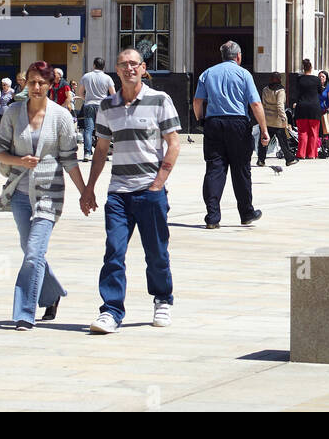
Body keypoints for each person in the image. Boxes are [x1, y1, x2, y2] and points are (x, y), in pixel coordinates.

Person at [82, 47, 181, 333]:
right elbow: (100, 150)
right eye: (123, 64)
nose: (128, 69)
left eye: (133, 64)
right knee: (113, 251)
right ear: (116, 68)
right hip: (118, 193)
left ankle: (162, 298)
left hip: (149, 191)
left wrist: (157, 184)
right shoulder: (107, 106)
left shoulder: (159, 100)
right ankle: (111, 311)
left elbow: (173, 143)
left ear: (143, 68)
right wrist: (89, 189)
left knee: (157, 253)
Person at [0, 61, 91, 329]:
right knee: (29, 250)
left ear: (50, 85)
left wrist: (85, 193)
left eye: (42, 83)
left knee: (34, 252)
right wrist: (19, 160)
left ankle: (24, 312)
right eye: (32, 81)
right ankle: (52, 293)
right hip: (20, 194)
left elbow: (70, 160)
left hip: (50, 193)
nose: (36, 87)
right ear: (25, 82)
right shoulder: (13, 112)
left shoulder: (60, 116)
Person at [194, 41, 268, 229]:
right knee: (241, 169)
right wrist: (264, 129)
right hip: (238, 124)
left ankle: (212, 217)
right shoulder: (244, 74)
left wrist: (201, 120)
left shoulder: (207, 73)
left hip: (214, 123)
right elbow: (256, 104)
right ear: (238, 57)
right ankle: (246, 213)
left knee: (214, 169)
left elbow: (197, 101)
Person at [75, 58, 118, 163]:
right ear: (104, 67)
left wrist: (86, 99)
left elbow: (80, 92)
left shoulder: (86, 76)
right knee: (102, 131)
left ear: (94, 65)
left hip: (89, 104)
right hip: (102, 106)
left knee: (88, 129)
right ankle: (102, 154)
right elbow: (113, 94)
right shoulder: (107, 78)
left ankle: (87, 153)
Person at [258, 73, 297, 166]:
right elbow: (280, 106)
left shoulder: (265, 89)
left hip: (267, 119)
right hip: (278, 120)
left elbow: (263, 104)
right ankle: (289, 159)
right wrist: (284, 118)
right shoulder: (280, 91)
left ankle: (261, 160)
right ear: (279, 79)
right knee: (283, 141)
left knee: (264, 140)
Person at [291, 59, 323, 161]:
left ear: (303, 68)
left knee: (302, 132)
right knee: (313, 132)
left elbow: (296, 92)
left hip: (302, 107)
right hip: (314, 107)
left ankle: (301, 153)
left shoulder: (299, 79)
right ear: (311, 68)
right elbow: (320, 92)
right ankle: (312, 154)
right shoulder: (316, 80)